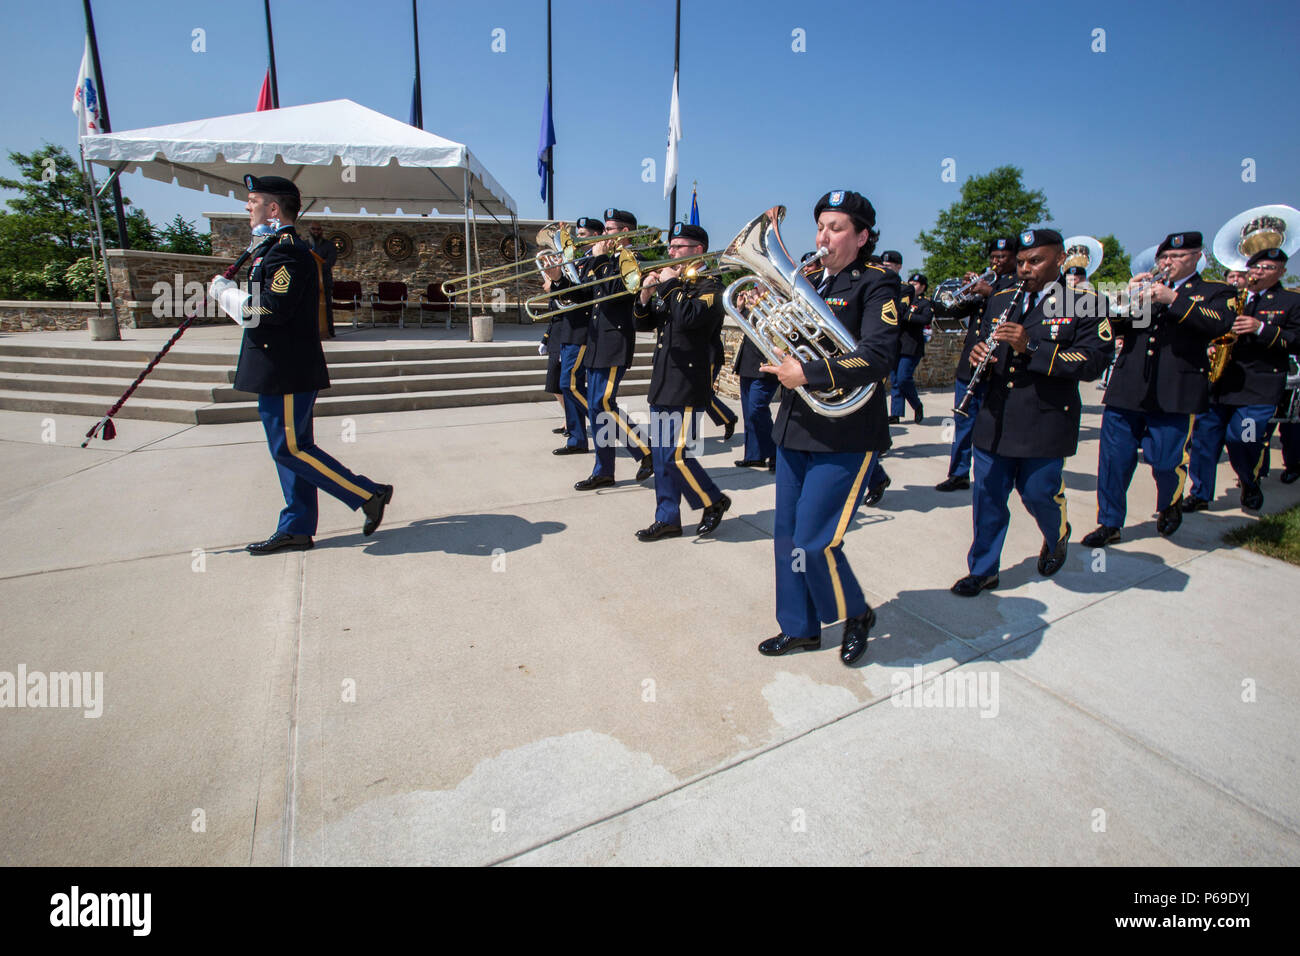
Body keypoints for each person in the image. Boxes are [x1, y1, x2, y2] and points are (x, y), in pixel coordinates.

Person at [208, 175, 392, 553]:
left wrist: (228, 297)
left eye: (253, 201)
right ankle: (297, 525)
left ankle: (366, 493)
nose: (247, 207)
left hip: (286, 367)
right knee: (294, 447)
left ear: (273, 209)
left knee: (290, 449)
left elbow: (271, 311)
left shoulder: (288, 252)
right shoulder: (271, 248)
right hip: (276, 365)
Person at [755, 190, 901, 665]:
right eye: (820, 226)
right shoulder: (808, 278)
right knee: (786, 538)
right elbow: (797, 340)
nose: (824, 236)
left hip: (847, 432)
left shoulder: (877, 285)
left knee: (816, 540)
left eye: (836, 228)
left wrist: (810, 374)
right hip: (798, 426)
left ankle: (855, 613)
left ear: (861, 236)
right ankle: (799, 628)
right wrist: (772, 331)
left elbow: (878, 357)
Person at [951, 228, 1113, 597]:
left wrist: (1032, 346)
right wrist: (980, 355)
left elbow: (1094, 361)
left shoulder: (1083, 302)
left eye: (1035, 261)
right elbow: (985, 341)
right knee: (987, 498)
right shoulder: (1002, 298)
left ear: (1059, 259)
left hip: (1045, 419)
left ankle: (1057, 535)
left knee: (1040, 494)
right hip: (995, 416)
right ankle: (983, 569)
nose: (1025, 269)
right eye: (1022, 262)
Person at [1081, 232, 1234, 547]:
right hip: (1128, 387)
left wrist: (1173, 299)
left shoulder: (1215, 291)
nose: (1168, 263)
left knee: (1165, 461)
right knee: (1114, 460)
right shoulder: (1144, 293)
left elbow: (1218, 324)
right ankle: (1109, 522)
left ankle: (1170, 501)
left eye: (1177, 257)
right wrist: (1126, 297)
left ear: (1196, 257)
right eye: (1164, 257)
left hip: (1174, 392)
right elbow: (1109, 327)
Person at [631, 223, 732, 540]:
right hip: (664, 379)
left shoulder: (711, 287)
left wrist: (670, 285)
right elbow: (644, 323)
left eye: (678, 247)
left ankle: (713, 500)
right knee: (662, 457)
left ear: (698, 251)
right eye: (671, 246)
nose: (670, 252)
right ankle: (668, 517)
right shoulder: (673, 286)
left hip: (688, 381)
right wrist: (645, 295)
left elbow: (690, 320)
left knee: (675, 454)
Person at [1185, 247, 1300, 511]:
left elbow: (1296, 340)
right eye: (1255, 267)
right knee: (1204, 440)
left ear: (1282, 271)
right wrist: (1210, 346)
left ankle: (1249, 482)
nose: (1258, 272)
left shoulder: (1290, 302)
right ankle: (1200, 493)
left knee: (1243, 438)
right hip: (1221, 382)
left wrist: (1261, 328)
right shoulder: (1231, 297)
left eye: (1267, 268)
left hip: (1258, 387)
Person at [550, 208, 653, 489]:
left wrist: (598, 258)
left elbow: (614, 292)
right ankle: (604, 470)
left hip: (615, 342)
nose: (604, 235)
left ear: (623, 233)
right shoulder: (603, 260)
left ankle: (645, 450)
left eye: (608, 230)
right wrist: (558, 278)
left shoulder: (634, 260)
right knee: (597, 410)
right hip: (596, 342)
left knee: (601, 404)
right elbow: (583, 295)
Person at [931, 236, 1020, 491]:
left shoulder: (1018, 285)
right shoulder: (987, 283)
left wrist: (988, 292)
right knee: (962, 422)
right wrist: (966, 291)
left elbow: (1013, 311)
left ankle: (994, 474)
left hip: (998, 366)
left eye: (1002, 257)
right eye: (993, 257)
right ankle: (958, 472)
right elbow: (954, 312)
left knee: (993, 423)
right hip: (970, 365)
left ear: (1014, 258)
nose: (996, 261)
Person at [544, 217, 604, 454]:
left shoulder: (597, 260)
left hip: (583, 330)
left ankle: (609, 426)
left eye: (585, 235)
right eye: (577, 234)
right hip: (568, 328)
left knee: (569, 385)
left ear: (598, 235)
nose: (578, 239)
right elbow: (567, 294)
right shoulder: (578, 259)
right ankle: (577, 439)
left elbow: (586, 295)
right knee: (568, 385)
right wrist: (557, 278)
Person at [732, 288, 778, 470]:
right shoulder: (753, 303)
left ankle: (775, 453)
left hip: (766, 365)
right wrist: (741, 308)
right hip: (748, 362)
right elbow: (746, 328)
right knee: (748, 414)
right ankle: (754, 455)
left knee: (756, 409)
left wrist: (759, 304)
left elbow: (771, 330)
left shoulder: (776, 299)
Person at [889, 272, 930, 424]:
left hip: (912, 345)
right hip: (897, 344)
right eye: (911, 282)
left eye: (916, 284)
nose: (912, 285)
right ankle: (896, 413)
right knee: (895, 380)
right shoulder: (900, 298)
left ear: (923, 287)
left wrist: (907, 316)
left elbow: (926, 319)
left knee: (903, 378)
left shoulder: (924, 303)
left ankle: (917, 405)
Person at [306, 222, 337, 338]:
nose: (316, 231)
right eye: (313, 229)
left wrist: (316, 266)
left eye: (318, 229)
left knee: (326, 307)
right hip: (308, 282)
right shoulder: (304, 245)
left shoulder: (329, 246)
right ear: (309, 230)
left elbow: (330, 262)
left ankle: (328, 331)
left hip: (324, 282)